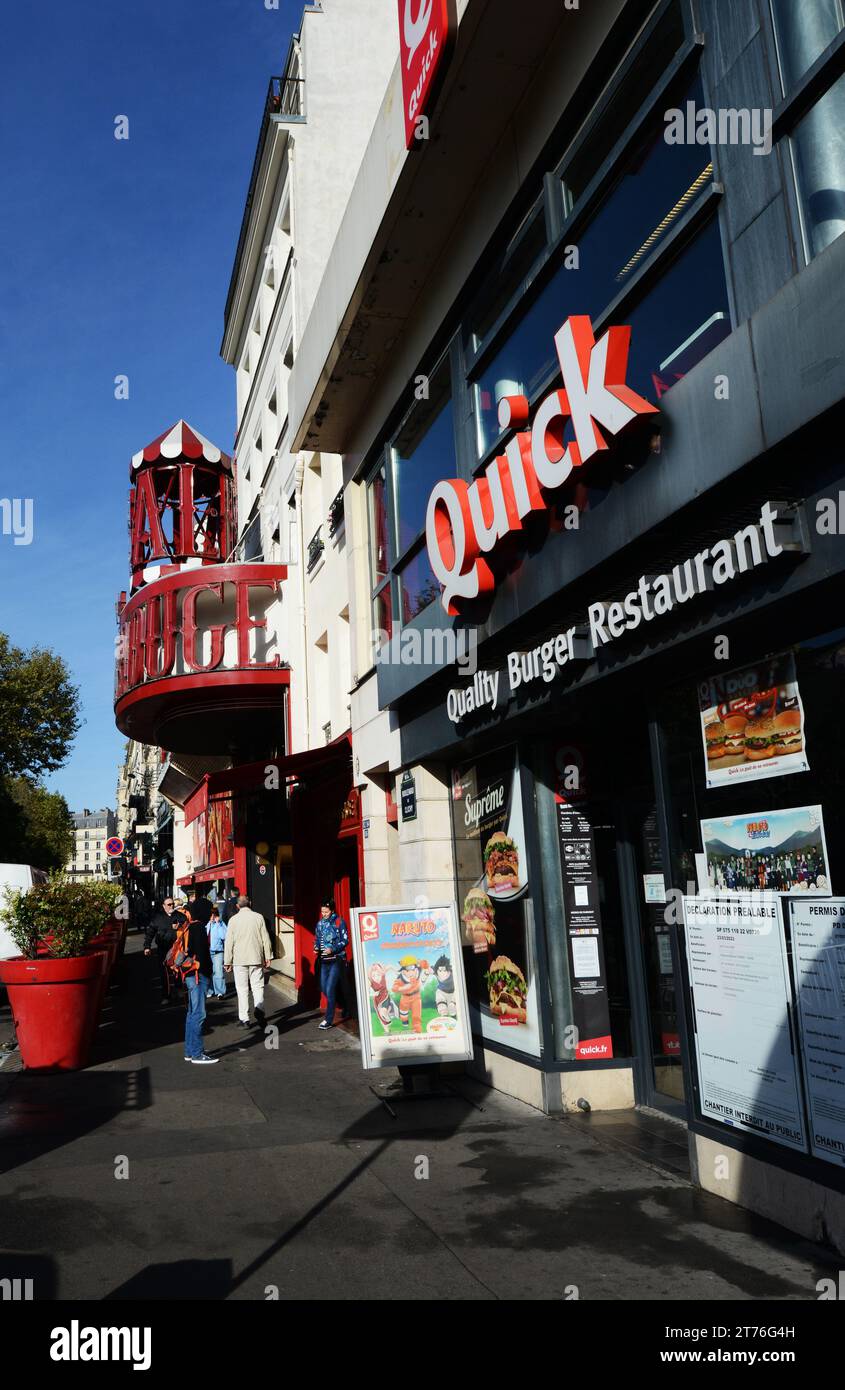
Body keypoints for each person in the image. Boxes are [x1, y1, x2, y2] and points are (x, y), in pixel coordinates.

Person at [224, 895, 273, 1028]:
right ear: (250, 903)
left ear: (237, 906)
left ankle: (244, 1019)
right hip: (256, 957)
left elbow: (229, 942)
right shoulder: (258, 917)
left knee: (242, 989)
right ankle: (260, 1010)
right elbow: (265, 937)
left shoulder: (233, 920)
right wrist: (268, 955)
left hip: (239, 959)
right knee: (258, 986)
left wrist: (227, 960)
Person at [179, 908, 219, 1065]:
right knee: (199, 1014)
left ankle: (190, 1050)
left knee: (191, 1013)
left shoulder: (189, 926)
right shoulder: (200, 928)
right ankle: (196, 1053)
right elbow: (203, 956)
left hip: (189, 973)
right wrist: (209, 974)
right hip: (198, 975)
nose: (211, 915)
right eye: (209, 911)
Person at [314, 898, 349, 1030]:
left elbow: (345, 940)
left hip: (336, 959)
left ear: (332, 910)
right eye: (322, 912)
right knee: (324, 988)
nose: (324, 914)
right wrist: (316, 947)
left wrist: (333, 949)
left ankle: (328, 1020)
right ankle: (344, 1004)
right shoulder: (320, 924)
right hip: (323, 960)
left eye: (326, 912)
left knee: (329, 989)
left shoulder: (339, 922)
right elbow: (317, 938)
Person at [143, 896, 182, 1006]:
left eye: (172, 904)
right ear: (164, 906)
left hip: (176, 949)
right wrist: (147, 947)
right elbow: (150, 933)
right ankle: (166, 996)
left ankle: (178, 990)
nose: (171, 906)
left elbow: (187, 926)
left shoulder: (179, 916)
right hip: (163, 949)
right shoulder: (158, 918)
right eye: (169, 904)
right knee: (164, 974)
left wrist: (179, 927)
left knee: (177, 970)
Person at [207, 906, 227, 1000]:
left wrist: (218, 923)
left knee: (218, 972)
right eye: (210, 915)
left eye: (214, 915)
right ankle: (210, 990)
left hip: (218, 951)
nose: (212, 917)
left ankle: (220, 992)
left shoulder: (221, 924)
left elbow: (224, 936)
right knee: (209, 972)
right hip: (207, 950)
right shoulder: (207, 924)